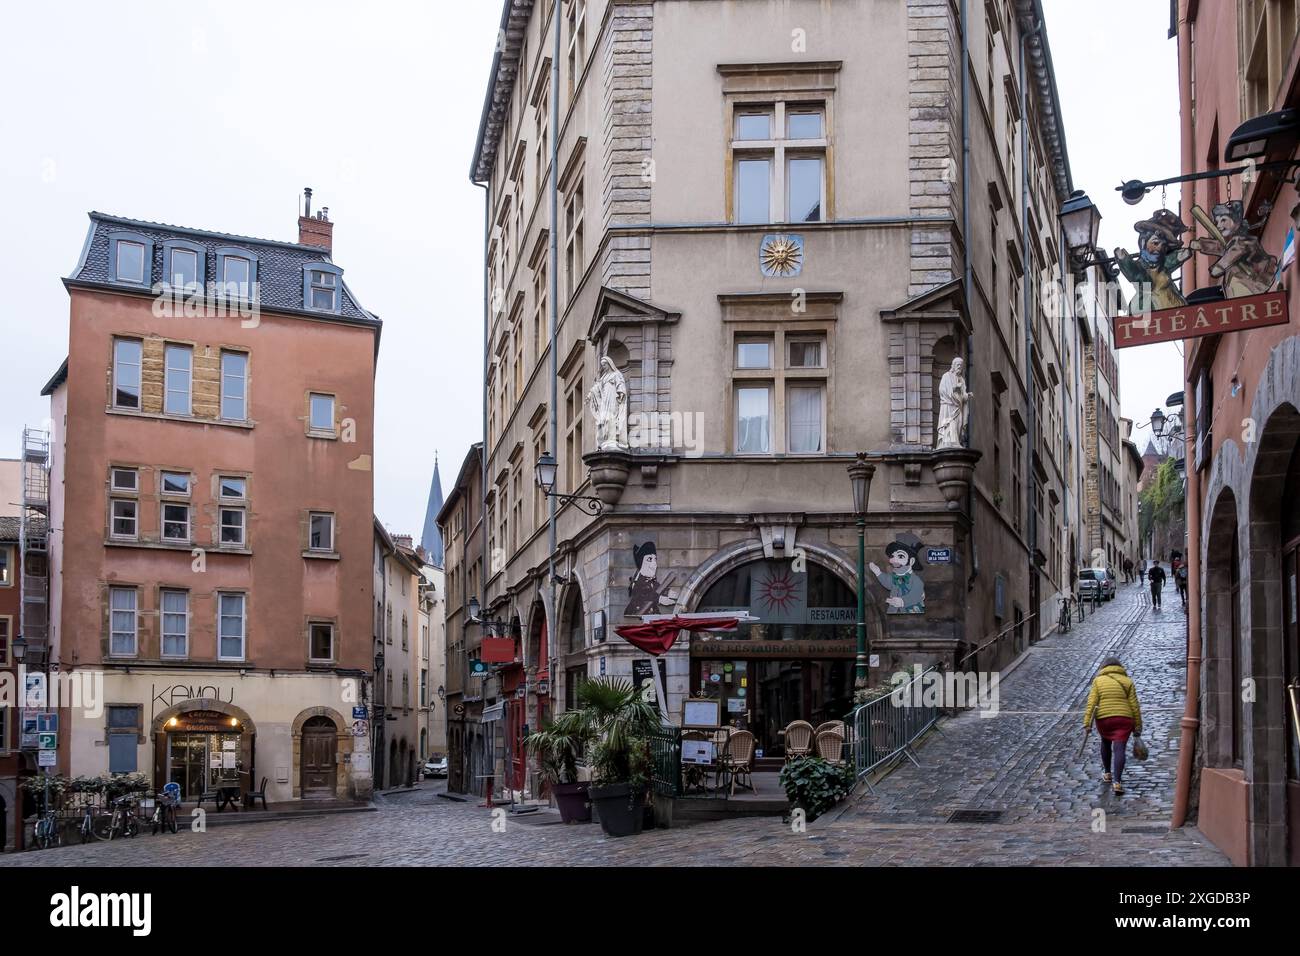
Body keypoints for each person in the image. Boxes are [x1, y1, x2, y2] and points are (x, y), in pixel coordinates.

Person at [1083, 657, 1144, 794]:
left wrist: (1087, 723)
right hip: (1124, 719)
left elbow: (1091, 704)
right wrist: (1138, 725)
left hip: (1104, 719)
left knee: (1105, 742)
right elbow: (1134, 706)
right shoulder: (1127, 681)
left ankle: (1107, 773)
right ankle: (1117, 782)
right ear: (1119, 668)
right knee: (1119, 749)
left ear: (1103, 667)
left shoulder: (1098, 681)